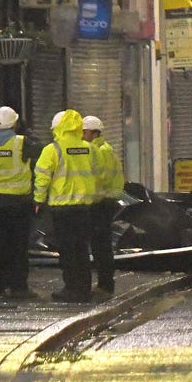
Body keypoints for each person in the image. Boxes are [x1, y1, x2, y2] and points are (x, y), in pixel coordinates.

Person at [34, 109, 99, 303]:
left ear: (58, 129)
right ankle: (84, 289)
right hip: (84, 207)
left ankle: (71, 289)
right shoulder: (89, 148)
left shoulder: (52, 150)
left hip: (62, 208)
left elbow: (42, 178)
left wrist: (38, 199)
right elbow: (96, 173)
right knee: (81, 249)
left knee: (68, 250)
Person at [0, 106, 38, 300]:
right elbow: (40, 153)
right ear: (15, 123)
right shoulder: (22, 142)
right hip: (19, 203)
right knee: (19, 247)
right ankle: (18, 287)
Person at [81, 115, 120, 297]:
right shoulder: (100, 149)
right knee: (100, 245)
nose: (82, 135)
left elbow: (100, 178)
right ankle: (105, 284)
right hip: (102, 201)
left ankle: (105, 285)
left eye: (85, 132)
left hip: (101, 203)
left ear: (95, 133)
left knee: (101, 247)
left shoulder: (101, 150)